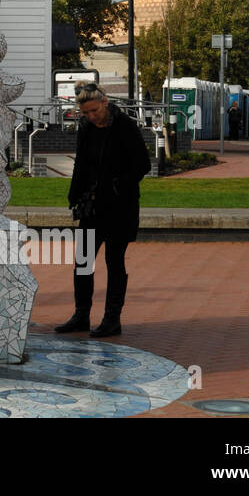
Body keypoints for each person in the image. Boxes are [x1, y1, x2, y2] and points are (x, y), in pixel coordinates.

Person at [56, 81, 152, 337]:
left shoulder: (125, 127)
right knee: (83, 261)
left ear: (105, 103)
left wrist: (117, 185)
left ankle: (112, 318)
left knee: (114, 261)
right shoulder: (87, 129)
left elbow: (142, 164)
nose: (90, 116)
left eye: (94, 111)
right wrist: (74, 195)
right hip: (92, 207)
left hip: (120, 207)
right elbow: (81, 164)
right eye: (85, 113)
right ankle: (81, 314)